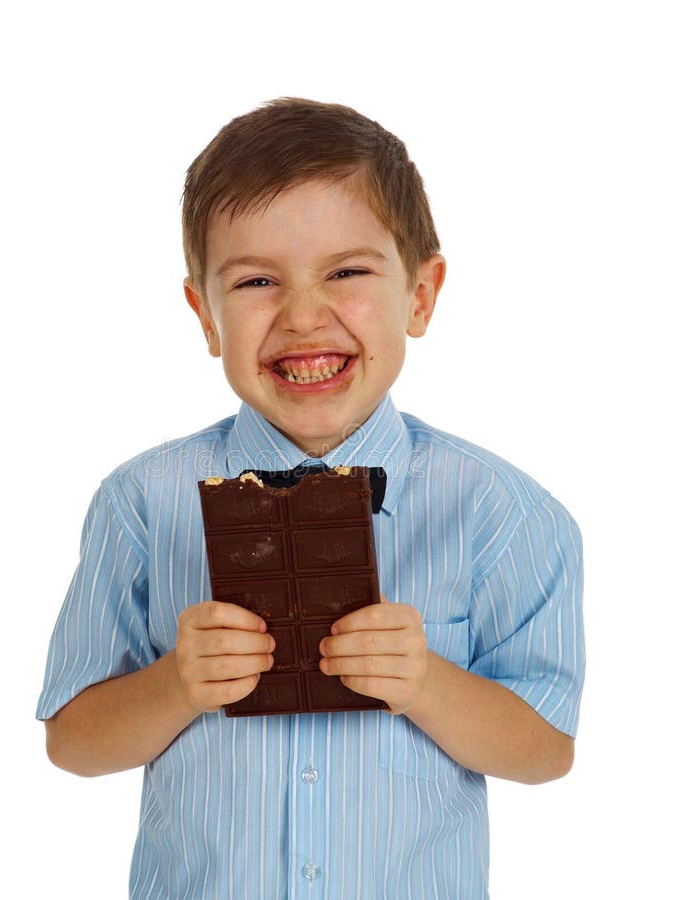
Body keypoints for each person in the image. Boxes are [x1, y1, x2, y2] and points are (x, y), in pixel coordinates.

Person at [37, 97, 585, 899]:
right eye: (257, 280)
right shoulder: (141, 503)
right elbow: (72, 741)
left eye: (348, 272)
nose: (301, 315)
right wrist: (174, 686)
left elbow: (546, 748)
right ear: (206, 315)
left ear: (422, 293)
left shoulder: (506, 514)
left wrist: (428, 682)